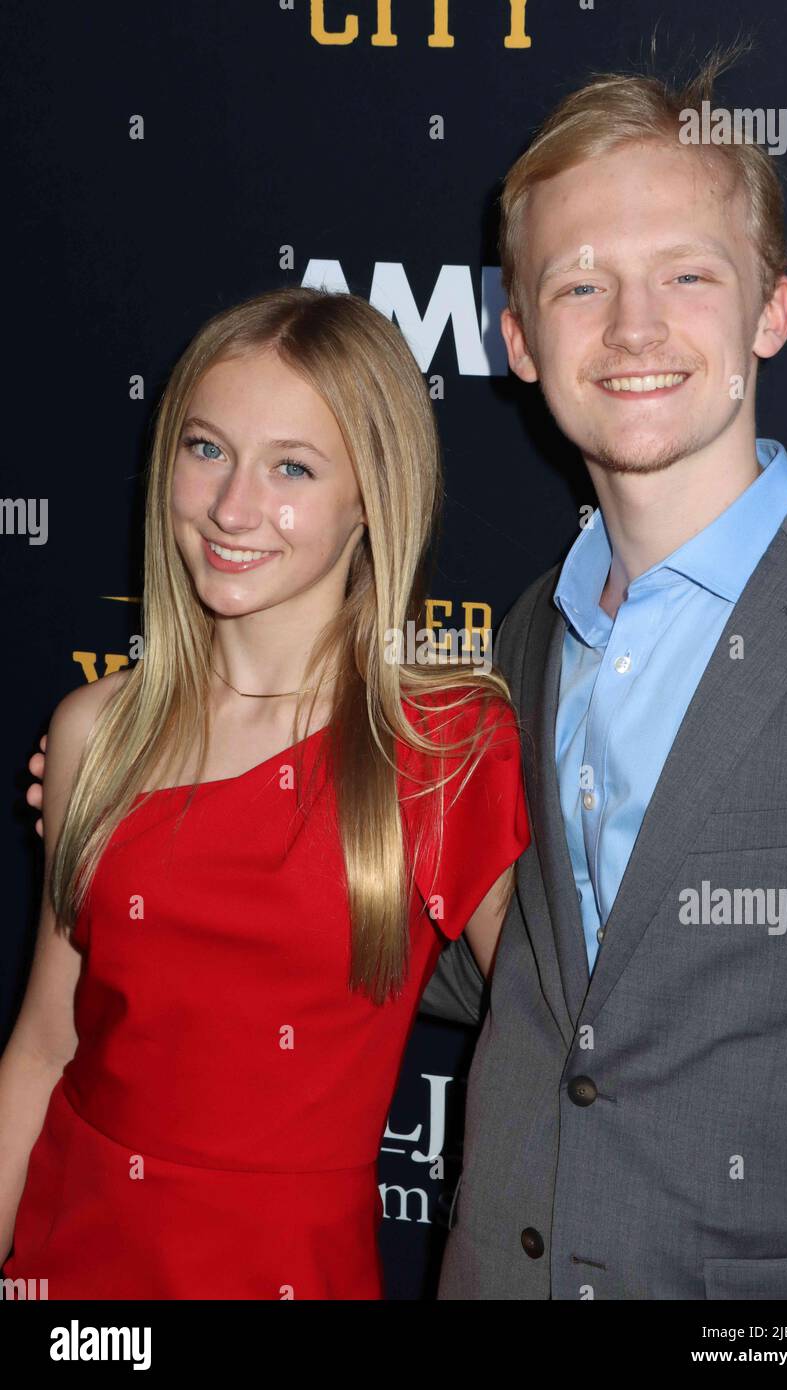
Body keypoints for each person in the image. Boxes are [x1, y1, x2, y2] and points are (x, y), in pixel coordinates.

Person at [416, 44, 787, 1298]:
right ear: (515, 337)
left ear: (770, 308)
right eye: (579, 287)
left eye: (685, 273)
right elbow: (520, 970)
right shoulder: (524, 638)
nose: (632, 328)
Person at [1, 286, 530, 1300]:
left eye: (292, 467)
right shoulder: (91, 733)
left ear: (370, 496)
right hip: (73, 1259)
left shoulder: (446, 750)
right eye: (206, 450)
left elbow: (556, 1049)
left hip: (290, 1268)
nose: (233, 507)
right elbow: (45, 1042)